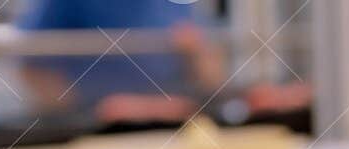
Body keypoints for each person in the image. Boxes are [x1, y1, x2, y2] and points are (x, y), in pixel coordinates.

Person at [15, 0, 226, 113]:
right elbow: (31, 65)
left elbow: (210, 74)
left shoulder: (175, 4)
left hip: (169, 125)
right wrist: (81, 119)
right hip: (98, 132)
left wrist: (196, 56)